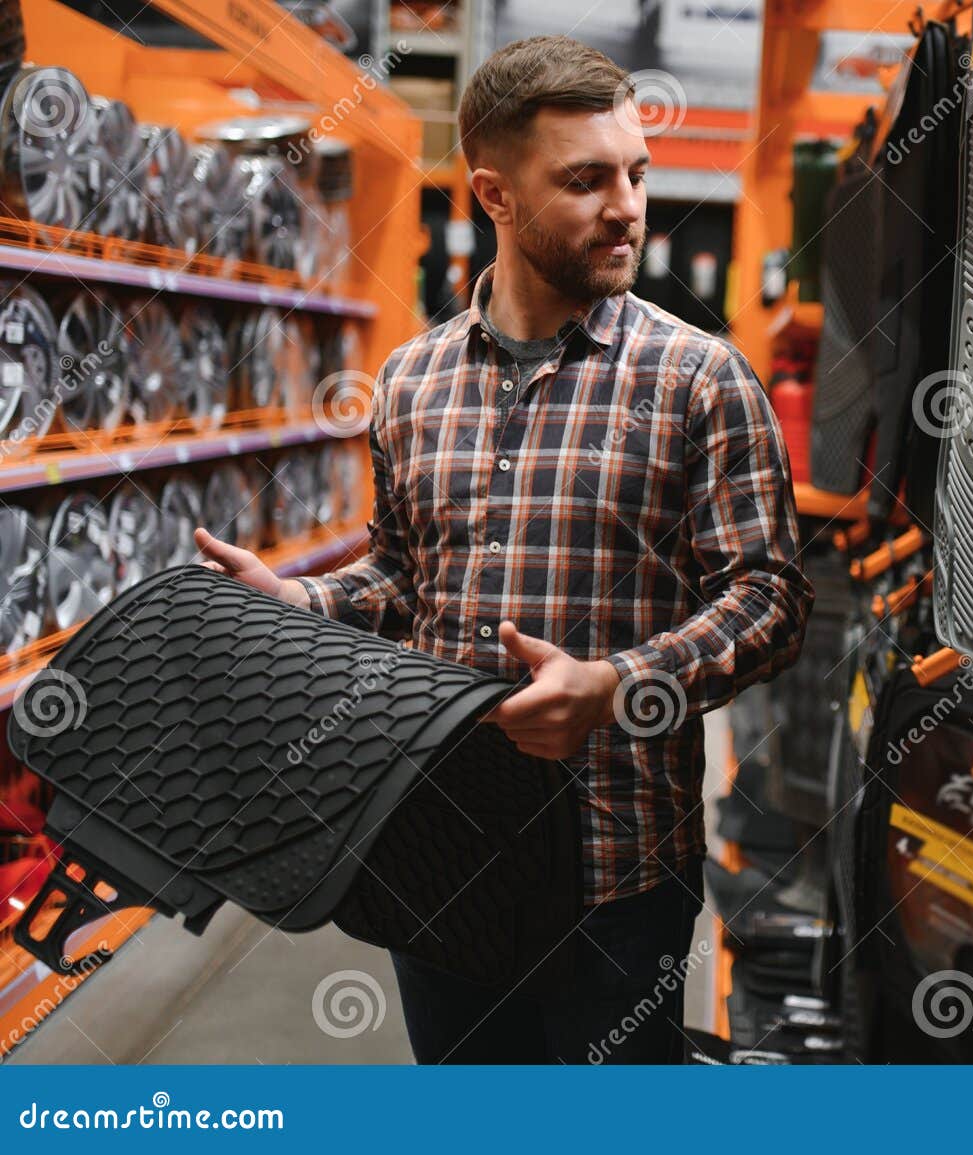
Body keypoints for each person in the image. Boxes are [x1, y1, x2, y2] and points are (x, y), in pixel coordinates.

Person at [193, 34, 814, 1064]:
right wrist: (305, 605)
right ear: (495, 195)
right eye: (585, 180)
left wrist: (616, 686)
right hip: (440, 851)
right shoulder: (412, 381)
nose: (626, 205)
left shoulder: (700, 380)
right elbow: (403, 573)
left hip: (614, 870)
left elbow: (772, 599)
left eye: (635, 173)